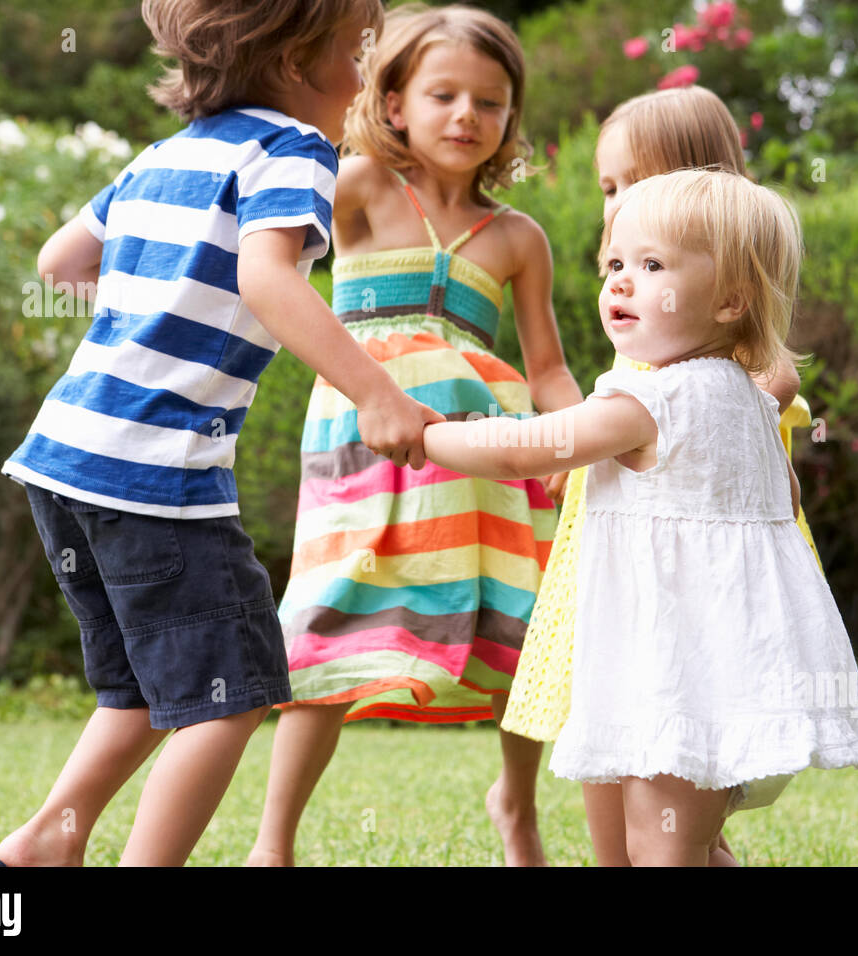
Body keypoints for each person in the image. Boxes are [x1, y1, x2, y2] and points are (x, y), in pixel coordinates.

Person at [0, 0, 440, 868]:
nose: (372, 69)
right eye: (360, 47)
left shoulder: (164, 155)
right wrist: (376, 394)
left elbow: (59, 263)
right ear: (300, 62)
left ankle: (38, 848)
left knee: (147, 690)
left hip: (67, 458)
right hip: (156, 471)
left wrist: (151, 307)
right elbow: (267, 278)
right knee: (231, 693)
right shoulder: (295, 149)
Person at [422, 168, 858, 866]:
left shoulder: (652, 401)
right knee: (689, 846)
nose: (620, 281)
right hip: (737, 672)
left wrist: (429, 436)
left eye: (651, 266)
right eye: (615, 263)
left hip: (673, 678)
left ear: (732, 298)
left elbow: (522, 448)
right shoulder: (750, 403)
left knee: (661, 850)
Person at [247, 3, 581, 868]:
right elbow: (271, 265)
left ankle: (518, 803)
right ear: (393, 102)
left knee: (518, 615)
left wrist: (577, 439)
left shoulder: (517, 238)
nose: (468, 116)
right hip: (367, 437)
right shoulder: (354, 184)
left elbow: (545, 368)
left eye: (491, 102)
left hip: (486, 450)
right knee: (331, 609)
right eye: (443, 95)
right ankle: (271, 843)